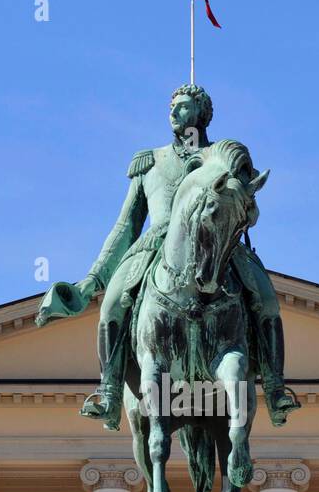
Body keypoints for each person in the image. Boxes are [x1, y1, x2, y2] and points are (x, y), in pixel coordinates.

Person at [36, 83, 300, 431]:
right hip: (156, 245)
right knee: (111, 306)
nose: (174, 112)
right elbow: (125, 227)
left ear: (202, 113)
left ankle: (275, 388)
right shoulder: (150, 162)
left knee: (267, 301)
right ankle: (110, 391)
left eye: (184, 106)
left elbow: (247, 209)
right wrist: (93, 280)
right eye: (172, 106)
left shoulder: (224, 160)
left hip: (219, 246)